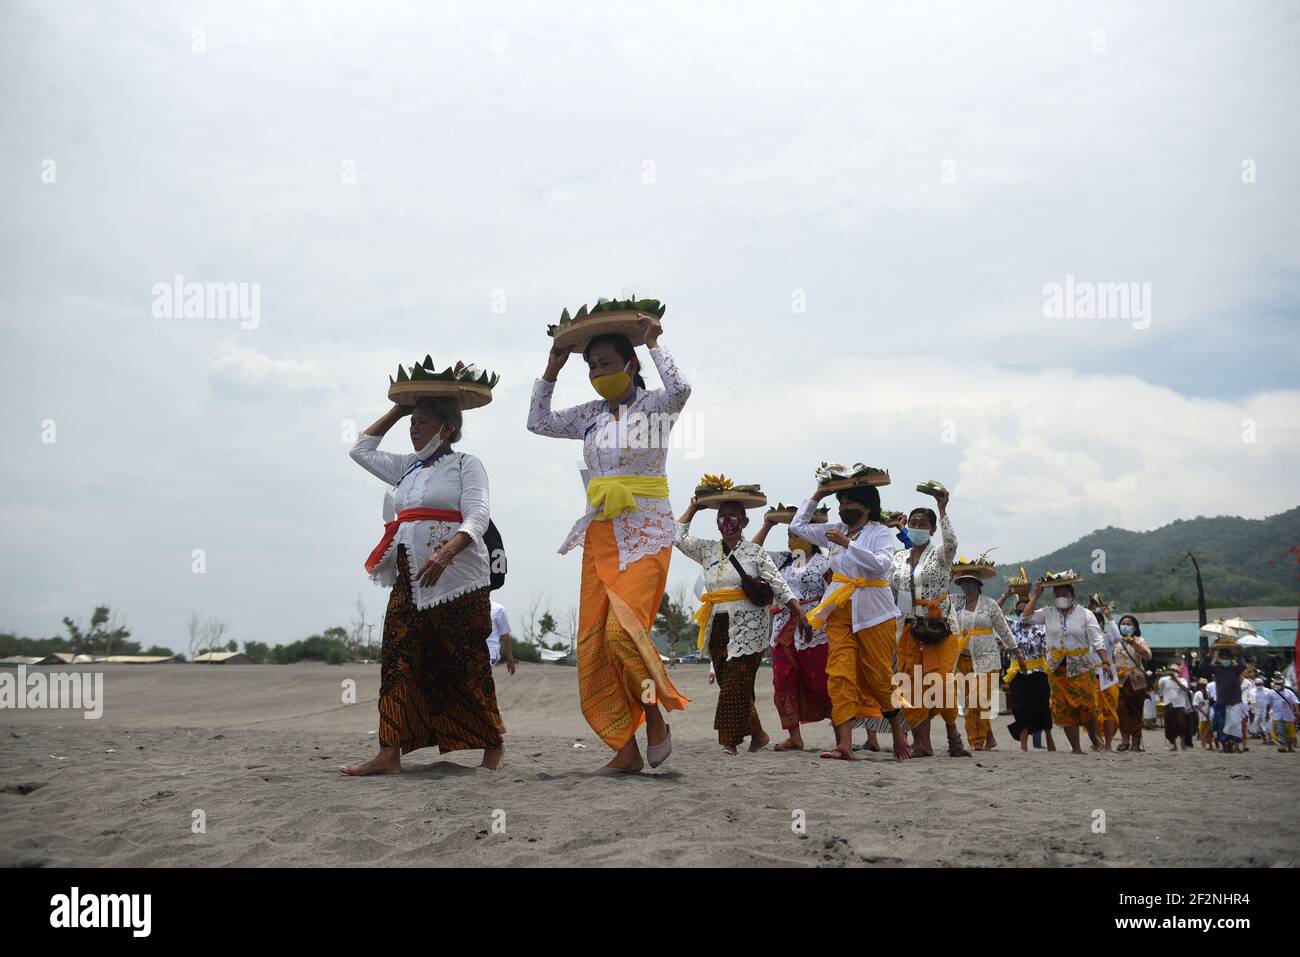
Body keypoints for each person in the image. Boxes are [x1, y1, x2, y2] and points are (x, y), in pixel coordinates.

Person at [526, 314, 689, 773]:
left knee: (623, 634)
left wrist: (656, 342)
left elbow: (682, 390)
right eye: (592, 366)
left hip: (647, 531)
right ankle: (625, 749)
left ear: (631, 364)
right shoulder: (590, 416)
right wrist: (552, 368)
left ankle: (655, 715)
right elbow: (537, 422)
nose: (598, 373)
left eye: (606, 363)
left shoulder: (655, 406)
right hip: (601, 532)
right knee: (596, 643)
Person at [342, 392, 506, 774]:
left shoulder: (467, 464)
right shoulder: (405, 468)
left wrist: (448, 551)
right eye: (412, 423)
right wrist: (399, 410)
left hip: (459, 581)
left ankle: (493, 742)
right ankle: (389, 752)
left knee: (466, 662)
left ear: (448, 428)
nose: (415, 430)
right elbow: (360, 450)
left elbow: (478, 515)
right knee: (397, 661)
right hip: (410, 579)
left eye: (423, 422)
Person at [677, 494, 809, 755]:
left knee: (734, 684)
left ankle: (730, 741)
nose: (727, 521)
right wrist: (692, 508)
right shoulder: (707, 550)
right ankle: (758, 734)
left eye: (733, 516)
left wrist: (799, 613)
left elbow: (777, 584)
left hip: (750, 627)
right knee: (731, 683)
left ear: (745, 522)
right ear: (716, 523)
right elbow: (676, 537)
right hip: (718, 623)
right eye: (722, 516)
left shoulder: (755, 552)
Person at [792, 479, 912, 760]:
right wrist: (818, 494)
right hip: (839, 610)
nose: (843, 507)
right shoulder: (834, 530)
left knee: (879, 678)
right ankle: (844, 745)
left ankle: (897, 733)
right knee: (839, 674)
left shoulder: (879, 532)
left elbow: (882, 564)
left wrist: (848, 544)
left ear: (867, 507)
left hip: (875, 612)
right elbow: (797, 528)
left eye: (849, 502)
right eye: (841, 502)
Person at [889, 490, 966, 757]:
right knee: (910, 686)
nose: (918, 527)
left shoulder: (941, 554)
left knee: (941, 681)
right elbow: (894, 591)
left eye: (923, 523)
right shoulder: (899, 557)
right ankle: (923, 744)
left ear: (932, 529)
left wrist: (942, 510)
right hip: (909, 627)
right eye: (913, 522)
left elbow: (953, 543)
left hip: (941, 627)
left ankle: (953, 733)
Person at [753, 509, 834, 752]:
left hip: (815, 628)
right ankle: (794, 736)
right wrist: (768, 525)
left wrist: (816, 616)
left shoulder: (826, 561)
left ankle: (842, 733)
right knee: (783, 681)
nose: (792, 538)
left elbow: (835, 593)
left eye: (797, 533)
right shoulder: (782, 560)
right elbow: (751, 552)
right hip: (782, 629)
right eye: (790, 533)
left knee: (822, 681)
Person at [1018, 580, 1114, 755]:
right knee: (1063, 708)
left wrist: (1105, 661)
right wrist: (1036, 596)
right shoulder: (1048, 613)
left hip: (1082, 668)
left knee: (1087, 707)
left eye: (1065, 593)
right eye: (1058, 593)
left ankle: (1094, 737)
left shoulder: (1085, 614)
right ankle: (1076, 748)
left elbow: (1097, 639)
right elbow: (1025, 617)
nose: (1061, 596)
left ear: (1072, 595)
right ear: (1053, 596)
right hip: (1057, 669)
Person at [949, 570, 1023, 751]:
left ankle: (977, 742)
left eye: (971, 582)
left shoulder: (989, 605)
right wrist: (949, 576)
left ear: (978, 585)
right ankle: (989, 738)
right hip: (964, 660)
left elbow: (1004, 629)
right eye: (963, 582)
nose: (967, 586)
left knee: (979, 700)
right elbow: (938, 596)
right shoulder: (956, 602)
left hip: (987, 659)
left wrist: (1018, 654)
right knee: (969, 702)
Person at [999, 590, 1055, 751]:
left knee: (1043, 706)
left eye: (1025, 610)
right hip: (1017, 673)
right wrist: (1006, 595)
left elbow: (1048, 651)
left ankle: (1050, 740)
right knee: (1020, 708)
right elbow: (994, 612)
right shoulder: (1012, 626)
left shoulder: (1041, 629)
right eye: (1018, 611)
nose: (1021, 613)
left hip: (1038, 671)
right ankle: (1023, 745)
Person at [1110, 613, 1153, 752]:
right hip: (1119, 680)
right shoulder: (1115, 641)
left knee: (1135, 711)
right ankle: (1124, 740)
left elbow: (1148, 656)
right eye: (1123, 623)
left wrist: (1134, 644)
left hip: (1136, 681)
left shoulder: (1140, 640)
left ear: (1134, 627)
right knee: (1120, 711)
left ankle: (1136, 743)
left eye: (1129, 624)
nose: (1126, 626)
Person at [1211, 646, 1247, 753]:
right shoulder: (1216, 668)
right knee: (1222, 725)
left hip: (1235, 701)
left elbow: (1243, 665)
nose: (1225, 659)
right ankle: (1225, 745)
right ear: (1220, 658)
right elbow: (1202, 666)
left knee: (1235, 724)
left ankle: (1236, 745)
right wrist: (1210, 654)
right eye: (1223, 657)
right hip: (1221, 702)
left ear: (1231, 658)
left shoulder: (1236, 669)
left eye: (1227, 657)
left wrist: (1239, 653)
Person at [1156, 667, 1192, 751]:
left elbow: (1185, 689)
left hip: (1180, 705)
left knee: (1182, 724)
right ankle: (1174, 745)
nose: (1173, 672)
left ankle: (1183, 742)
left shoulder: (1182, 680)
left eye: (1175, 671)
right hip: (1168, 704)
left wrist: (1175, 679)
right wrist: (1157, 677)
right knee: (1169, 726)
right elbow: (1155, 688)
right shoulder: (1163, 680)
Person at [1263, 678, 1298, 752]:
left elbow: (1296, 702)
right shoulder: (1271, 693)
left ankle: (1289, 747)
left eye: (1280, 684)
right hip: (1277, 716)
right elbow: (1268, 704)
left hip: (1288, 716)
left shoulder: (1289, 692)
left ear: (1283, 684)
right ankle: (1282, 747)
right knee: (1280, 731)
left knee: (1289, 732)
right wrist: (1267, 713)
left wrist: (1297, 712)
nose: (1278, 685)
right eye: (1277, 684)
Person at [487, 600, 516, 675]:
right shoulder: (468, 608)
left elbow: (505, 634)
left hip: (491, 652)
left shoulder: (498, 609)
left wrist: (510, 659)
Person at [1193, 678, 1213, 748]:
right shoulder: (1197, 694)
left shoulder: (1208, 692)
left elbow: (1211, 702)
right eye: (1202, 685)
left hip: (1209, 713)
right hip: (1202, 714)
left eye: (1204, 685)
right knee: (1202, 729)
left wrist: (1209, 711)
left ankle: (1210, 744)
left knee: (1209, 730)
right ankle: (1204, 743)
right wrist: (1203, 712)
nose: (1203, 686)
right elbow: (1195, 704)